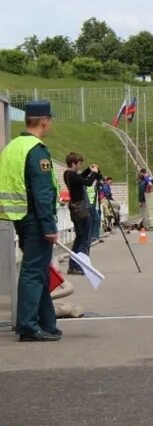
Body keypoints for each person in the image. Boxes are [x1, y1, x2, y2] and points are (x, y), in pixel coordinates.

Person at [0, 100, 61, 341]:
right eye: (50, 120)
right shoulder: (36, 150)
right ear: (44, 120)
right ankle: (27, 326)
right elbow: (42, 191)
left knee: (39, 271)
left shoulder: (13, 146)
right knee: (34, 273)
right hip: (36, 219)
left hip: (20, 217)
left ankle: (47, 323)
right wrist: (49, 225)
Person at [63, 152, 99, 275]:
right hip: (81, 210)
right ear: (73, 163)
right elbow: (87, 182)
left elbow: (81, 179)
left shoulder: (68, 174)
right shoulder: (72, 176)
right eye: (79, 164)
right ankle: (79, 265)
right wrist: (94, 173)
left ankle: (73, 265)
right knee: (84, 239)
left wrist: (89, 170)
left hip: (76, 209)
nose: (80, 166)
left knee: (79, 238)